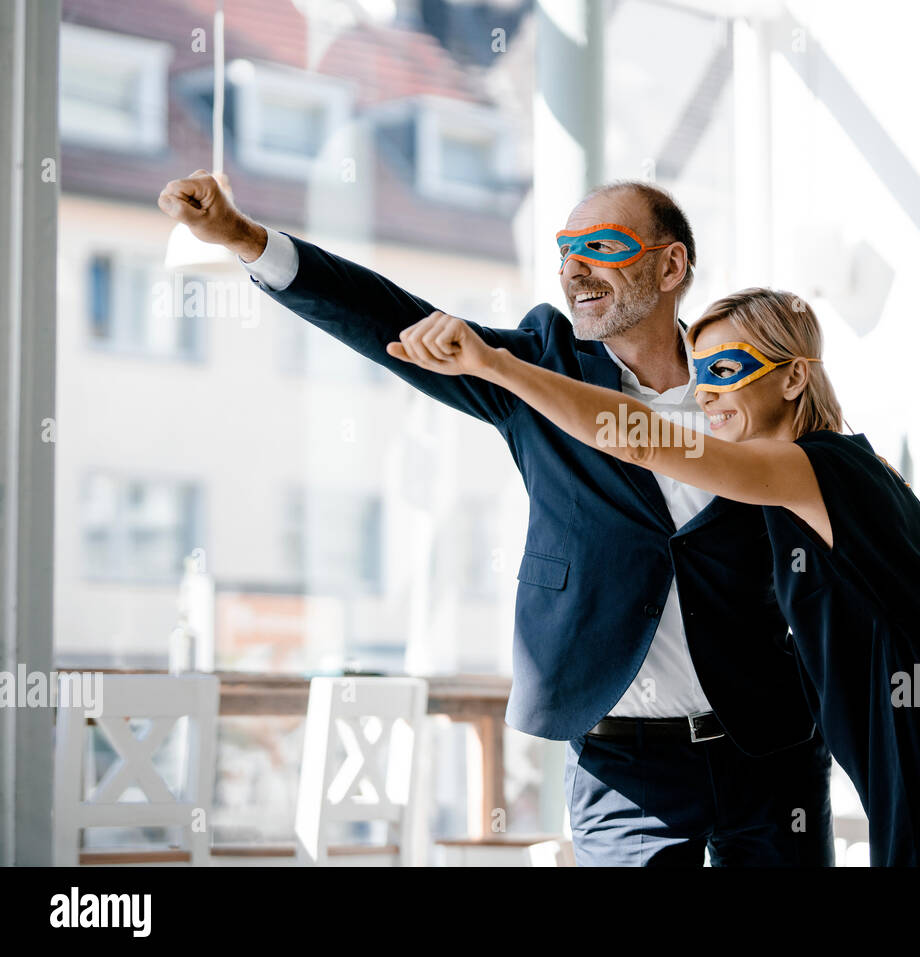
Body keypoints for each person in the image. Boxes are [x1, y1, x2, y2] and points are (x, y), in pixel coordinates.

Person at [158, 171, 834, 866]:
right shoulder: (536, 368)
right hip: (625, 766)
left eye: (600, 246)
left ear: (670, 266)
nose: (574, 268)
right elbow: (391, 318)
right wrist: (246, 239)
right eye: (565, 249)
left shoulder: (741, 380)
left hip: (770, 745)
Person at [386, 287, 920, 865]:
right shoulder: (862, 472)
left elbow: (634, 438)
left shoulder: (806, 470)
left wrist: (498, 367)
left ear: (794, 377)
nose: (710, 391)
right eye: (703, 370)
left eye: (731, 366)